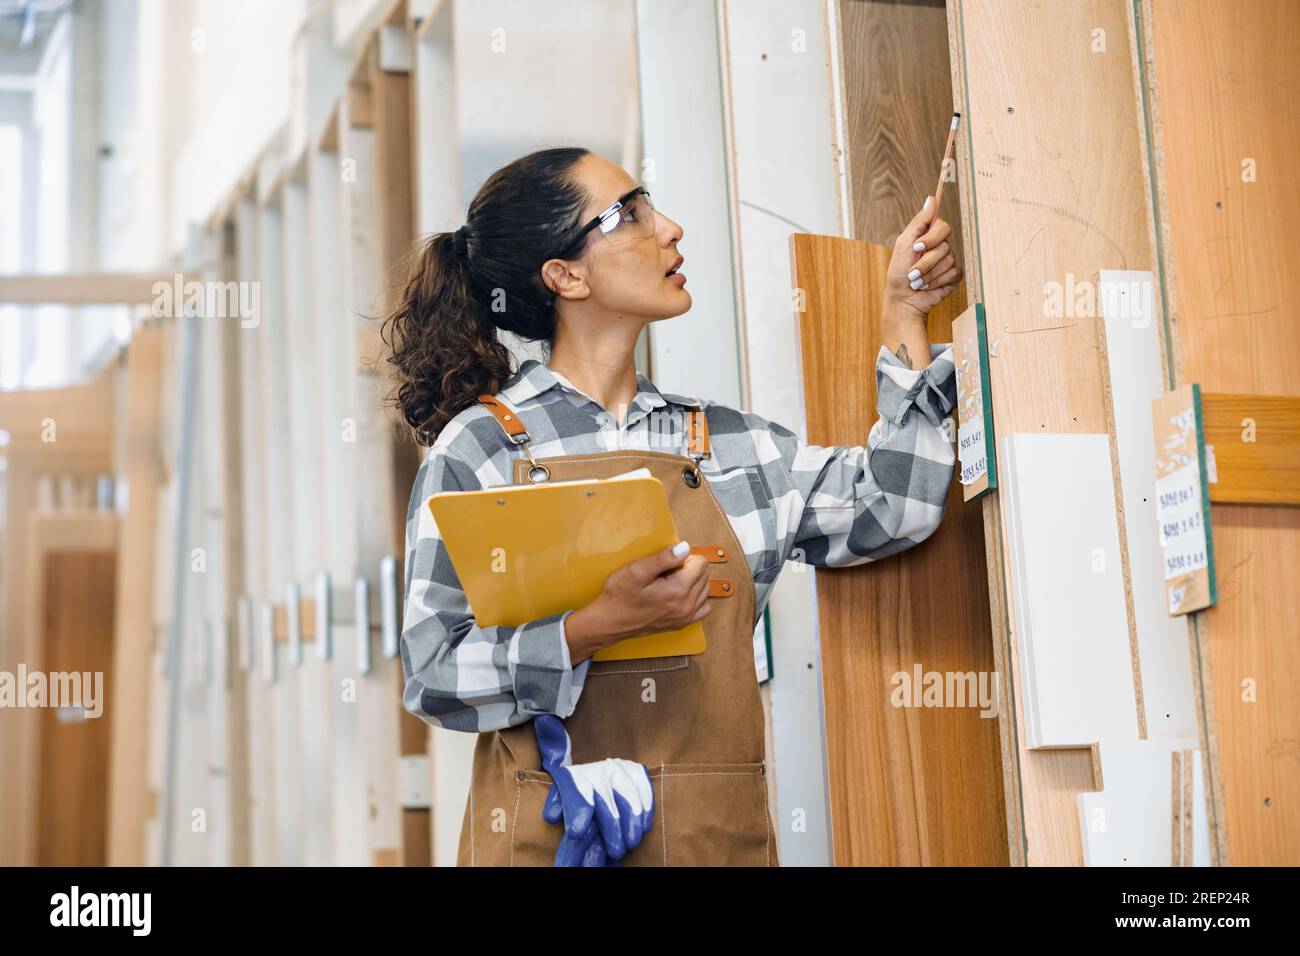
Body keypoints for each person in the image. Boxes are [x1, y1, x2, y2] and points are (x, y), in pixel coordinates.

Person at [385, 145, 961, 866]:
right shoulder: (481, 450)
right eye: (627, 215)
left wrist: (904, 317)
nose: (670, 228)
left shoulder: (731, 446)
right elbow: (434, 673)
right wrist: (592, 627)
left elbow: (895, 503)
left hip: (713, 843)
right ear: (564, 275)